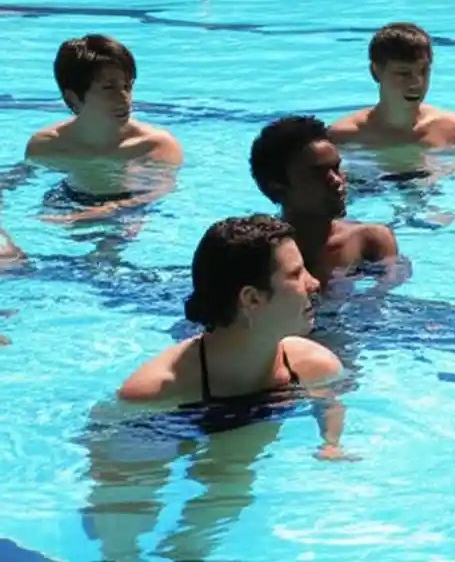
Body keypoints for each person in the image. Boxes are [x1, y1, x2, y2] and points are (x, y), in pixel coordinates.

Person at [85, 216, 349, 561]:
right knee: (123, 533)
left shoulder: (313, 366)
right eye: (296, 274)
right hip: (171, 423)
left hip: (233, 421)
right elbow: (112, 467)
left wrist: (331, 444)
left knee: (230, 488)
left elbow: (328, 399)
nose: (314, 283)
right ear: (252, 299)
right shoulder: (155, 392)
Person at [24, 34, 183, 224]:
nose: (124, 98)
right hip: (68, 200)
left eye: (127, 86)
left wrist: (104, 212)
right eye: (109, 88)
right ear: (73, 98)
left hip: (129, 208)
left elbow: (157, 193)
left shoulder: (156, 146)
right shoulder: (46, 145)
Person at [250, 115, 400, 291]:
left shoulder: (369, 241)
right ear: (277, 187)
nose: (337, 180)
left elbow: (386, 296)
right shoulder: (262, 251)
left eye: (336, 168)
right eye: (318, 173)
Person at [328, 22, 455, 178]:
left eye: (424, 71)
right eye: (404, 73)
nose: (416, 83)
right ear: (375, 72)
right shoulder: (342, 137)